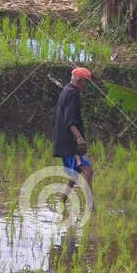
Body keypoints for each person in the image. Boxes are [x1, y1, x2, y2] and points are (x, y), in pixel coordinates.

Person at [52, 66, 94, 197]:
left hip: (65, 140)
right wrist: (79, 138)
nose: (86, 85)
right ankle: (91, 206)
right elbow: (70, 120)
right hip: (69, 142)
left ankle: (62, 199)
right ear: (78, 80)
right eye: (85, 82)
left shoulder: (67, 90)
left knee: (76, 172)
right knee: (87, 171)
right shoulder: (72, 93)